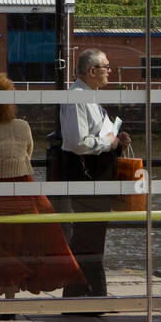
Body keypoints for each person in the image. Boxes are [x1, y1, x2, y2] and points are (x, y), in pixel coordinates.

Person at [0, 73, 86, 302]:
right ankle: (12, 293)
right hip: (22, 195)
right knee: (29, 236)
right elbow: (27, 154)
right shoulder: (22, 126)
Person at [59, 49, 130, 298]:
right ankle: (87, 293)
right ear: (92, 70)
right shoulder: (78, 98)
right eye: (107, 66)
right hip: (88, 176)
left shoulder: (89, 96)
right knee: (90, 233)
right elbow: (78, 142)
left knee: (92, 232)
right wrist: (108, 145)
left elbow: (93, 133)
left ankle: (82, 291)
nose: (110, 71)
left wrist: (116, 140)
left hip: (94, 175)